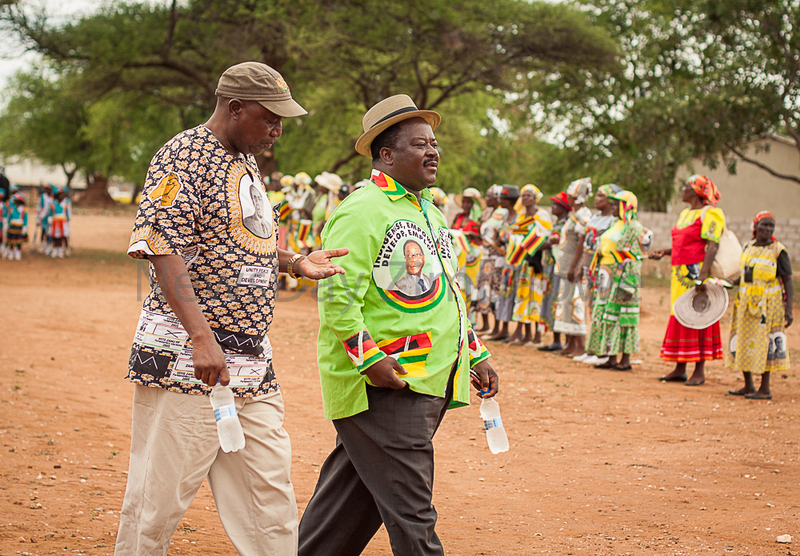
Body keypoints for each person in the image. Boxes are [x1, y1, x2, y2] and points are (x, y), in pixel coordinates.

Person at [115, 61, 348, 555]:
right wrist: (202, 338)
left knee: (270, 500)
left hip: (251, 365)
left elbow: (242, 244)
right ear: (235, 107)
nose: (277, 130)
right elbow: (163, 247)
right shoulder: (183, 156)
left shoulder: (245, 160)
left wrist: (295, 262)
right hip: (188, 362)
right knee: (157, 505)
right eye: (271, 118)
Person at [299, 93, 499, 556]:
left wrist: (476, 352)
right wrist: (369, 360)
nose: (433, 151)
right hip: (389, 383)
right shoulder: (362, 209)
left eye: (434, 143)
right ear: (386, 155)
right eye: (419, 144)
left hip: (429, 377)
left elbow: (446, 291)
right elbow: (336, 293)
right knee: (413, 518)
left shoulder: (428, 209)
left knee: (345, 509)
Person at [650, 174, 725, 386]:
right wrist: (664, 252)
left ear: (696, 191)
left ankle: (699, 370)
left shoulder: (711, 213)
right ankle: (680, 367)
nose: (681, 190)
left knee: (699, 315)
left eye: (685, 186)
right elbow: (684, 244)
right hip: (679, 273)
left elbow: (713, 245)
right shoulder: (685, 214)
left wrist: (702, 276)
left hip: (696, 272)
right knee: (681, 313)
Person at [726, 211, 793, 400]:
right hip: (746, 303)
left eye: (771, 226)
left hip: (768, 306)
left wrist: (788, 310)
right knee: (743, 339)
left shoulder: (778, 251)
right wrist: (731, 282)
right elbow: (747, 275)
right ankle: (748, 385)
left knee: (766, 344)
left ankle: (765, 388)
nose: (767, 229)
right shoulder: (748, 247)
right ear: (755, 227)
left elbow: (787, 280)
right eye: (764, 225)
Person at [586, 190, 652, 370]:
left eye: (617, 204)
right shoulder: (616, 224)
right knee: (608, 315)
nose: (613, 207)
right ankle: (611, 356)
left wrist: (628, 283)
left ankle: (625, 360)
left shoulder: (634, 227)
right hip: (607, 276)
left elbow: (634, 257)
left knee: (624, 316)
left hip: (623, 276)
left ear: (626, 206)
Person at [574, 183, 621, 364]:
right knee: (591, 307)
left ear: (611, 201)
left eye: (602, 196)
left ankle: (602, 351)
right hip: (590, 269)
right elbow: (586, 245)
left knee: (601, 309)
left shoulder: (613, 222)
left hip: (604, 270)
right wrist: (580, 266)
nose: (597, 198)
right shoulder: (595, 218)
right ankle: (592, 348)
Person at [507, 184, 553, 345]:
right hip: (524, 262)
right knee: (524, 295)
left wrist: (531, 244)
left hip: (539, 262)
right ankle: (526, 334)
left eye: (529, 195)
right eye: (524, 195)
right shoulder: (520, 217)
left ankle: (537, 336)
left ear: (535, 198)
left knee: (537, 296)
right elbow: (515, 236)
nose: (526, 198)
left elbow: (546, 236)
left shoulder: (542, 215)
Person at [553, 177, 592, 356]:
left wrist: (575, 267)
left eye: (569, 195)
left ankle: (579, 345)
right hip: (566, 264)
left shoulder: (583, 216)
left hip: (573, 266)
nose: (567, 198)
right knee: (567, 302)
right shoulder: (575, 215)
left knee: (576, 301)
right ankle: (570, 343)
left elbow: (581, 243)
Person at [538, 191, 572, 351]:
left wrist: (545, 243)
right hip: (550, 267)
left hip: (559, 267)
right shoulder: (557, 224)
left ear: (564, 207)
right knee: (552, 301)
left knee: (558, 301)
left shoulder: (566, 224)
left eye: (556, 205)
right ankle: (556, 339)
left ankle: (562, 340)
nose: (552, 207)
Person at [486, 185, 520, 342]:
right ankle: (501, 328)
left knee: (513, 294)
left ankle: (511, 330)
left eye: (504, 199)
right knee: (502, 293)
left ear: (511, 200)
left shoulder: (518, 217)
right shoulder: (504, 216)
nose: (501, 201)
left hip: (516, 260)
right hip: (504, 260)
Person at [475, 184, 505, 335]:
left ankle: (497, 327)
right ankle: (485, 325)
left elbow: (502, 233)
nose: (486, 199)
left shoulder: (502, 213)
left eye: (489, 196)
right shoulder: (488, 213)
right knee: (484, 289)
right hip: (486, 256)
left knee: (495, 290)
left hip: (496, 257)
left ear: (498, 198)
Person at [4, 191, 28, 261]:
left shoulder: (24, 210)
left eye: (16, 200)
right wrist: (7, 224)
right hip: (12, 226)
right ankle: (11, 253)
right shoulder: (12, 209)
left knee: (19, 241)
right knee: (11, 241)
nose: (15, 201)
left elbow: (25, 219)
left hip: (19, 227)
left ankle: (18, 252)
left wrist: (25, 227)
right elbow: (10, 218)